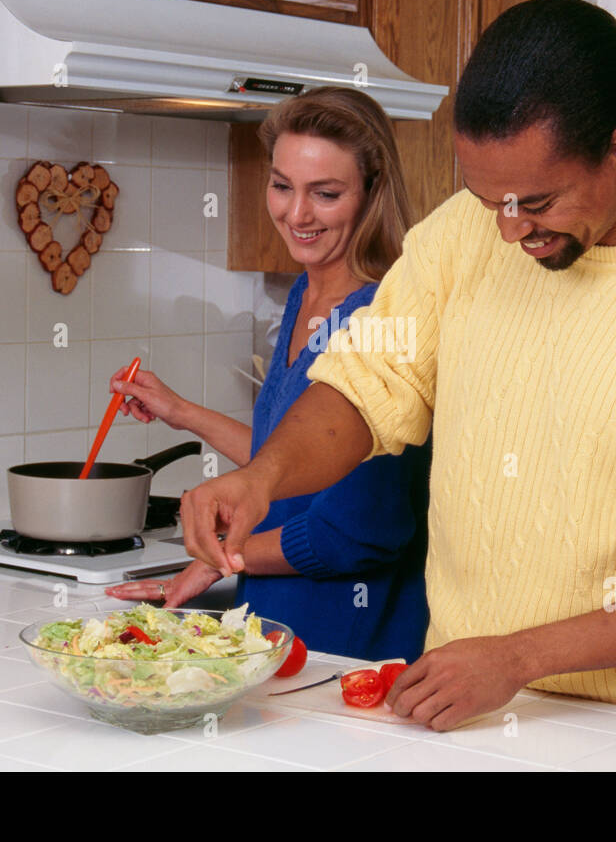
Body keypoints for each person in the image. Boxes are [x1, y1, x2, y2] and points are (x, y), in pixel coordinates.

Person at [177, 0, 616, 730]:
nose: (508, 227)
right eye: (487, 197)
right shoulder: (463, 237)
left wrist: (521, 657)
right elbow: (366, 384)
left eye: (536, 201)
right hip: (456, 715)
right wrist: (260, 476)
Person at [104, 87, 431, 664]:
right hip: (274, 632)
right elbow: (295, 463)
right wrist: (183, 413)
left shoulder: (383, 319)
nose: (296, 214)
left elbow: (355, 532)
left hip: (352, 647)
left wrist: (217, 558)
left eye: (325, 194)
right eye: (282, 186)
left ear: (372, 193)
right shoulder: (307, 290)